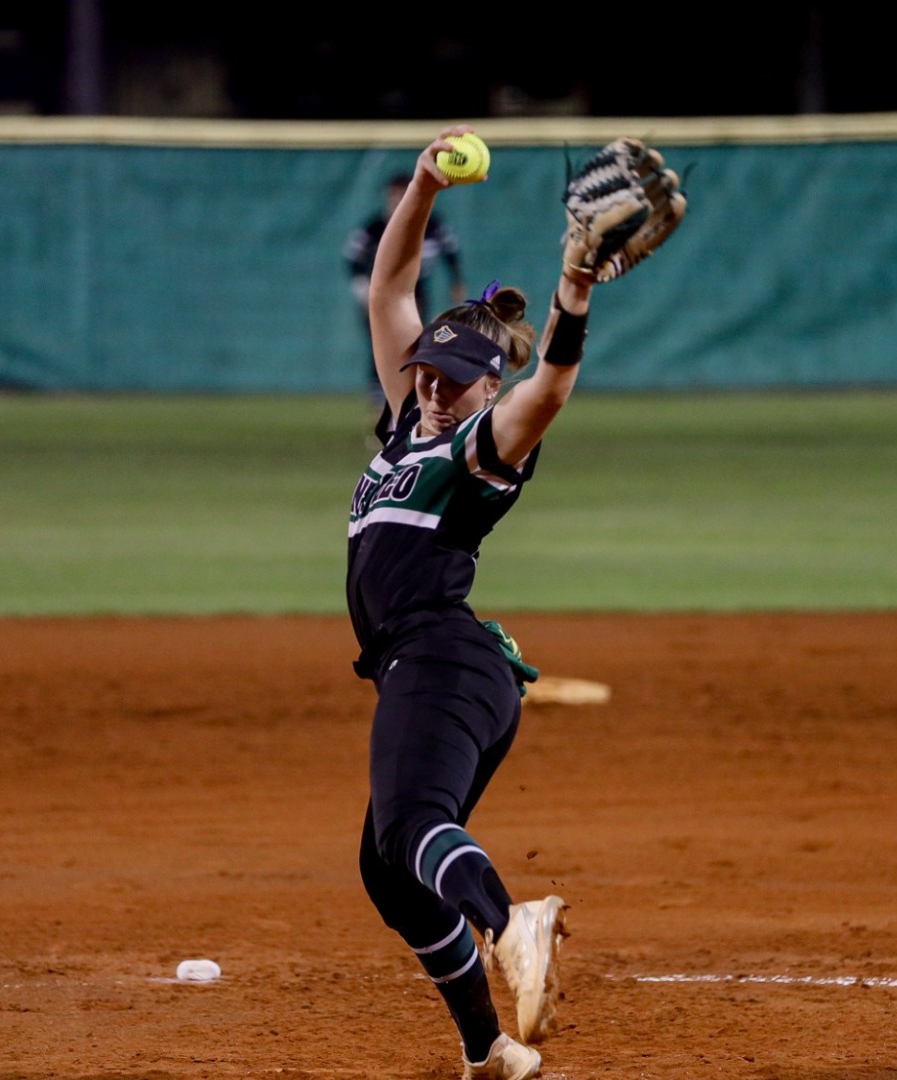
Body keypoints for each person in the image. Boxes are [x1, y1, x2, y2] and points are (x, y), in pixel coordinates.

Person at [346, 127, 596, 1080]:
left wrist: (572, 295)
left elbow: (556, 388)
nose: (438, 392)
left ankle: (512, 920)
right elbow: (389, 284)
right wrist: (420, 182)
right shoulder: (412, 424)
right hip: (433, 671)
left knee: (410, 828)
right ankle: (487, 1049)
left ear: (487, 386)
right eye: (428, 375)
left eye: (459, 381)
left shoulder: (481, 447)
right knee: (389, 869)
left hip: (445, 661)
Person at [344, 173, 466, 399]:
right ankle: (379, 401)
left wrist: (456, 281)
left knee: (414, 346)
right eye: (394, 194)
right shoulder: (375, 228)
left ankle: (411, 399)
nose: (398, 199)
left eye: (404, 193)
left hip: (415, 292)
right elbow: (352, 259)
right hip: (381, 295)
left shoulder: (432, 224)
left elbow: (451, 252)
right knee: (381, 348)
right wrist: (363, 290)